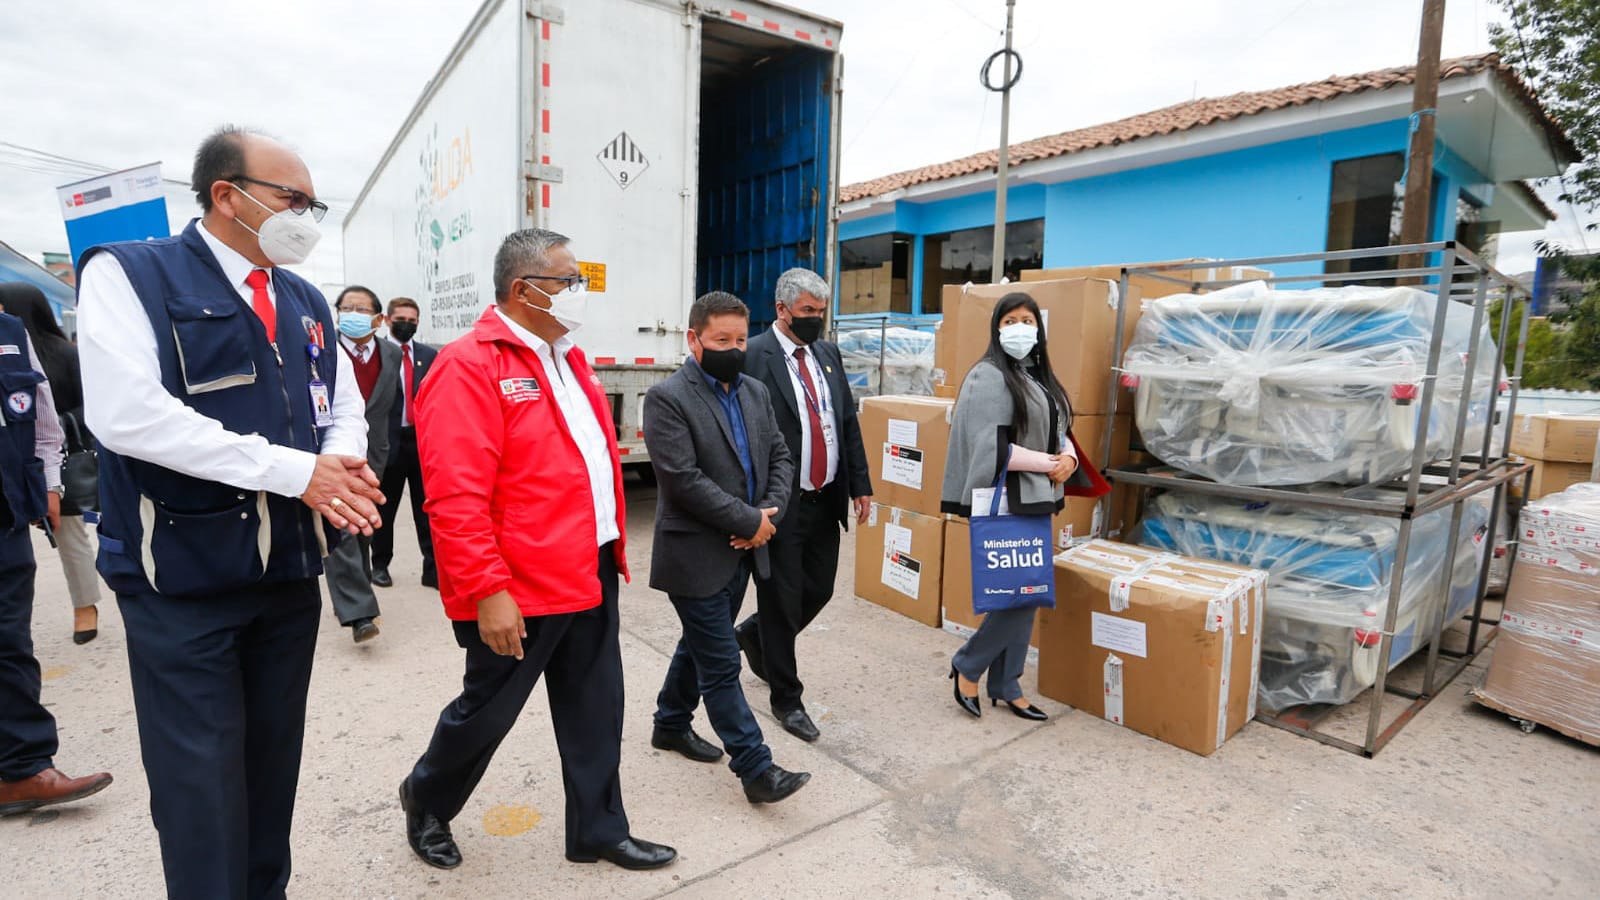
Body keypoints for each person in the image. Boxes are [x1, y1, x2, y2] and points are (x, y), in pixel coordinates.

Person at [76, 126, 383, 898]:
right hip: (181, 581)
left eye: (314, 204)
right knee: (201, 792)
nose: (305, 217)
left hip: (285, 578)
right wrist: (294, 472)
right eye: (292, 199)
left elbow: (341, 404)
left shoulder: (305, 300)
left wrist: (338, 463)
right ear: (227, 195)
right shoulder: (132, 275)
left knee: (269, 779)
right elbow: (127, 417)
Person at [401, 228, 674, 873]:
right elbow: (453, 496)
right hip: (518, 583)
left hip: (590, 565)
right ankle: (427, 797)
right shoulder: (470, 365)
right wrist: (487, 590)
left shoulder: (567, 358)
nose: (580, 291)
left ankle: (599, 830)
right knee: (487, 711)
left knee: (595, 707)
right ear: (525, 289)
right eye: (569, 280)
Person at [643, 291, 812, 804]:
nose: (734, 349)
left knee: (698, 645)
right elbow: (682, 480)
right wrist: (747, 520)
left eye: (740, 339)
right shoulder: (667, 398)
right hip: (694, 554)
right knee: (720, 662)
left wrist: (766, 520)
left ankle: (670, 723)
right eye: (722, 340)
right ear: (694, 339)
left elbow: (782, 457)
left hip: (746, 548)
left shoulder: (756, 392)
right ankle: (755, 767)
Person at [941, 292, 1098, 720]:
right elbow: (988, 445)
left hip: (1036, 499)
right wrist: (1050, 463)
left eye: (1027, 319)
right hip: (1005, 500)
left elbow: (1059, 427)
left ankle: (1007, 682)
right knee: (1023, 593)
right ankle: (969, 665)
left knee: (1023, 593)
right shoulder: (987, 376)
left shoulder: (1039, 376)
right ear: (996, 328)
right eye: (1010, 320)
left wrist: (1068, 456)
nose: (1019, 327)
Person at [736, 268, 871, 742]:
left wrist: (860, 484)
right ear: (782, 310)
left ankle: (754, 636)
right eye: (808, 312)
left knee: (819, 590)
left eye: (821, 312)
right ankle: (786, 699)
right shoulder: (754, 356)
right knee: (781, 598)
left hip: (824, 497)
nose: (816, 320)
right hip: (779, 504)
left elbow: (847, 422)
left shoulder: (827, 354)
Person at [0, 303, 114, 816]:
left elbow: (40, 416)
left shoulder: (8, 333)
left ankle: (23, 769)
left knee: (8, 642)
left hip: (3, 511)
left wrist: (47, 484)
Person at [0, 283, 102, 643]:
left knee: (70, 537)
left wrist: (57, 423)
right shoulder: (9, 349)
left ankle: (84, 607)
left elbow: (90, 404)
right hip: (16, 460)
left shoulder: (65, 353)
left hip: (60, 458)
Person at [323, 286, 401, 643]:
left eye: (360, 308)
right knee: (339, 527)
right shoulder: (322, 350)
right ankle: (360, 613)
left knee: (365, 525)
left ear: (378, 318)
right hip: (333, 453)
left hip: (375, 454)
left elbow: (390, 408)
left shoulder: (391, 354)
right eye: (346, 307)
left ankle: (359, 585)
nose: (351, 313)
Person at [371, 296, 437, 589]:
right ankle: (380, 565)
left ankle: (432, 569)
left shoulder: (428, 355)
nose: (406, 325)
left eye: (412, 321)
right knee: (386, 508)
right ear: (387, 320)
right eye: (401, 320)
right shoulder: (377, 352)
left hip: (421, 443)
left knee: (428, 509)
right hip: (388, 442)